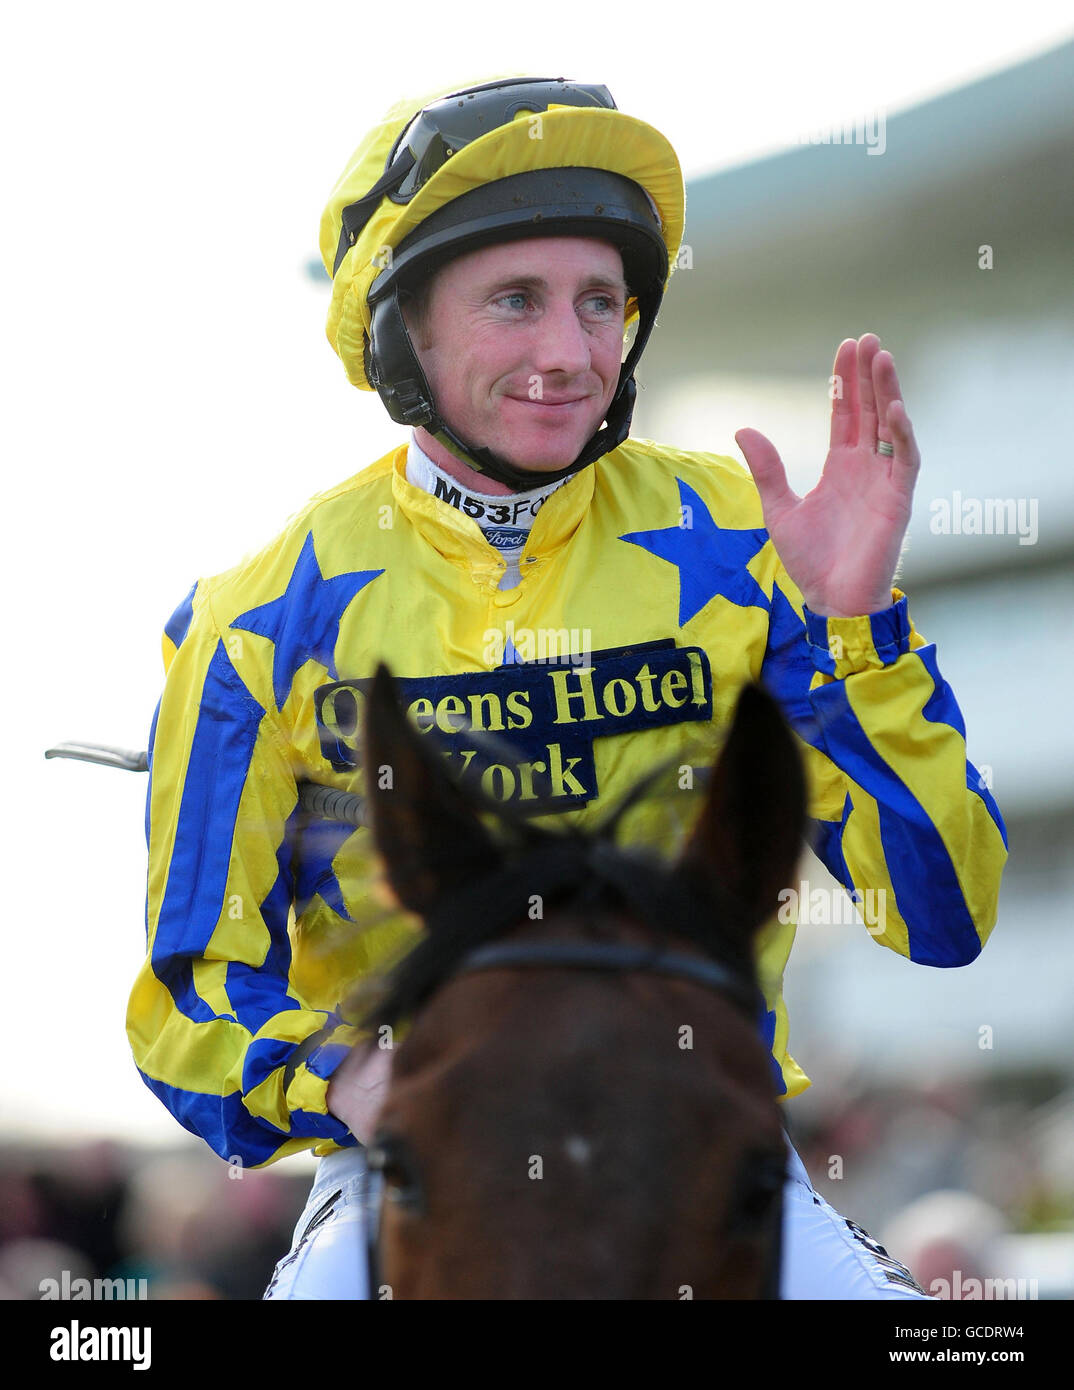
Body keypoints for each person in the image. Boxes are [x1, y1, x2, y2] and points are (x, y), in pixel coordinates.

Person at [126, 76, 1008, 1300]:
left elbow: (942, 914)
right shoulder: (258, 618)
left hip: (710, 1155)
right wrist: (348, 1079)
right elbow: (189, 992)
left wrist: (855, 628)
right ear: (403, 335)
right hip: (413, 1170)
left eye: (602, 302)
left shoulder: (755, 541)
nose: (570, 353)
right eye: (516, 302)